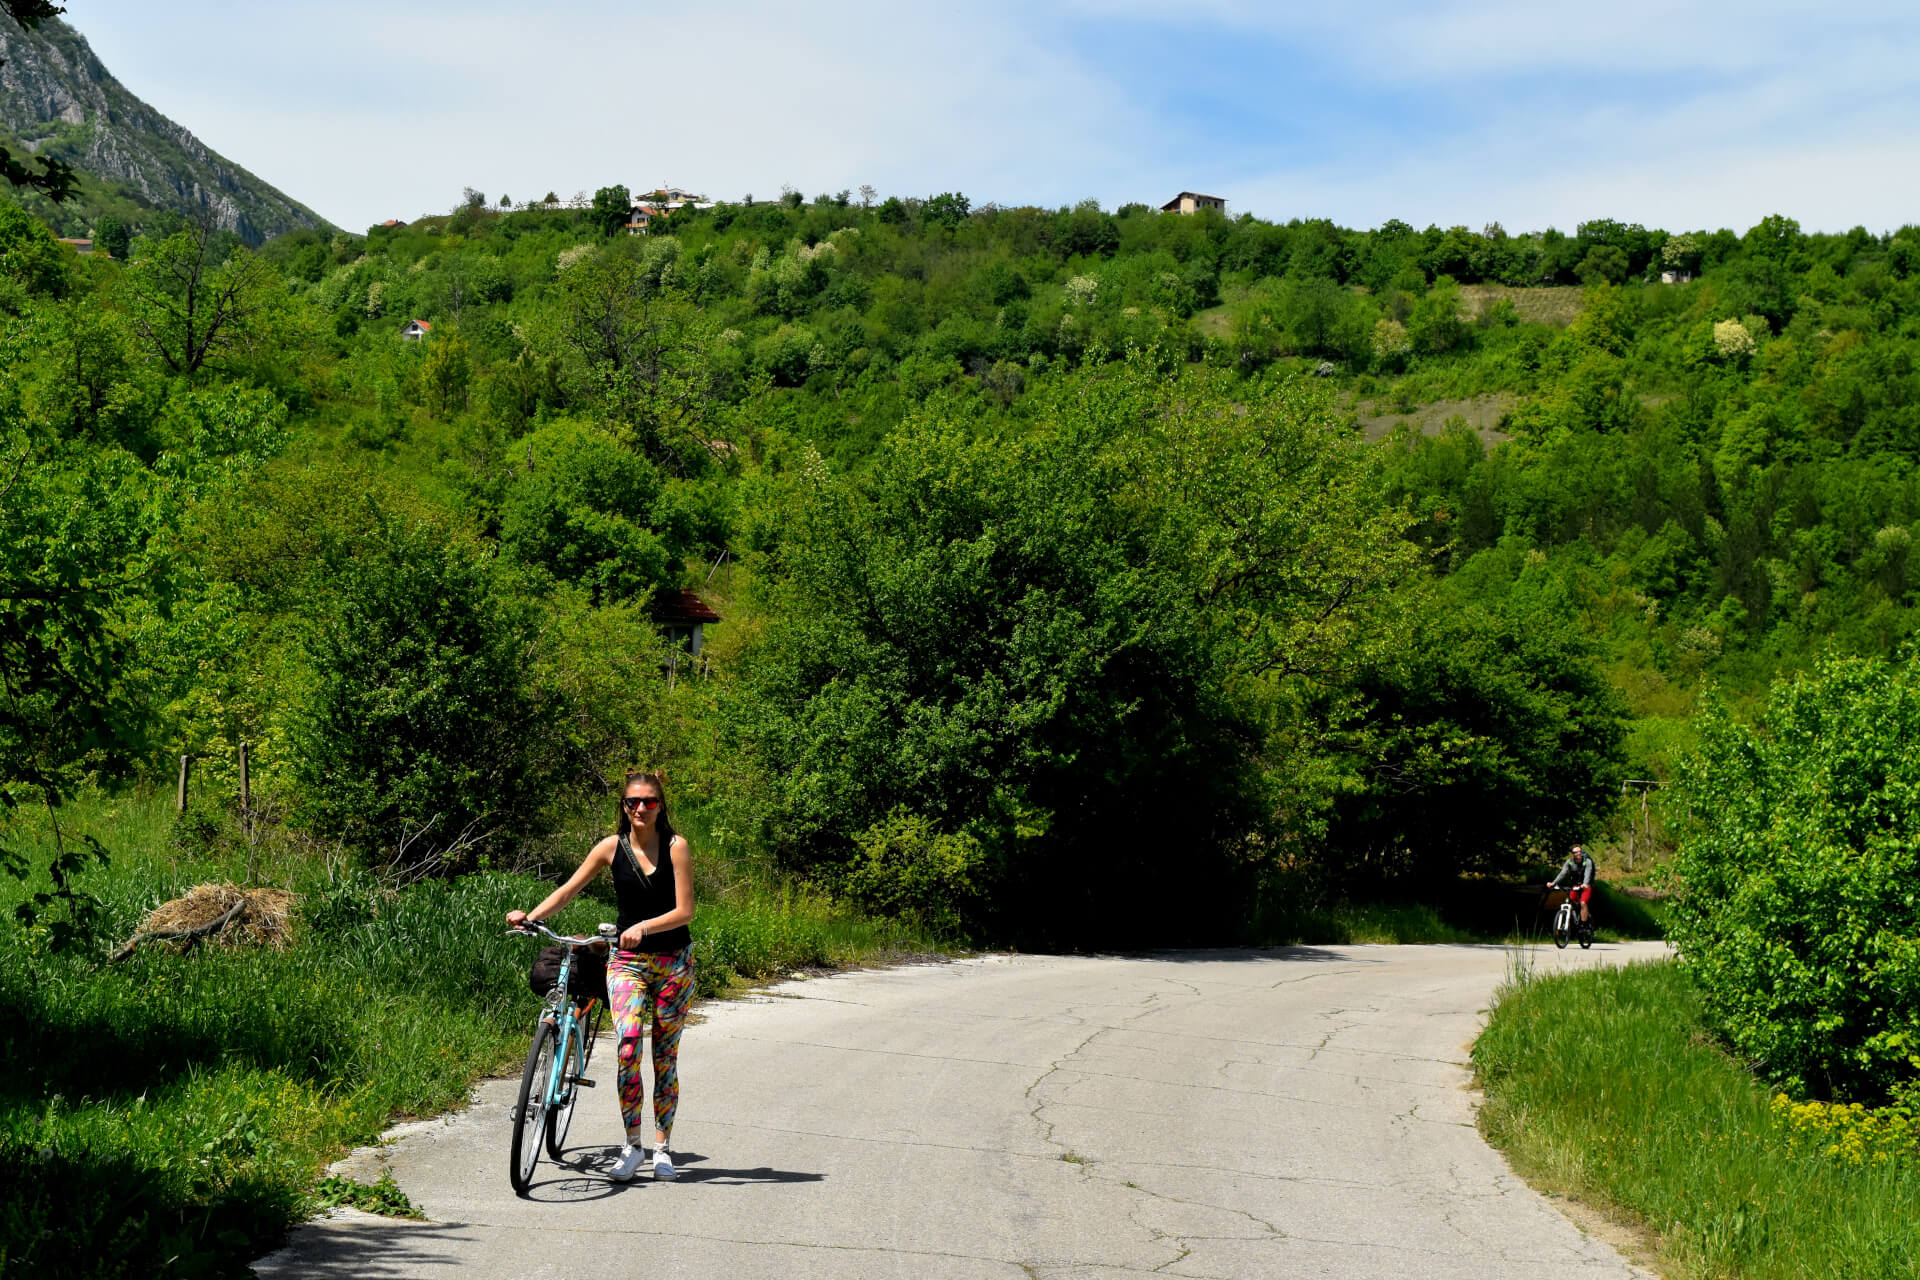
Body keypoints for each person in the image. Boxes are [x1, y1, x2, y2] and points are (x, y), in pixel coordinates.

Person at [508, 771, 696, 1182]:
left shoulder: (675, 847)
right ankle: (632, 1146)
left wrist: (645, 927)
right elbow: (568, 889)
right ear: (624, 807)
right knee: (628, 1048)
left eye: (649, 801)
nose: (641, 808)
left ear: (661, 805)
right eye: (633, 802)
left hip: (672, 964)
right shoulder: (611, 847)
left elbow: (685, 912)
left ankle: (662, 1148)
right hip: (627, 961)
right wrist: (532, 917)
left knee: (665, 1056)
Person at [1549, 843, 1595, 926]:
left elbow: (1587, 874)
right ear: (1572, 854)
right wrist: (1554, 883)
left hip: (1586, 886)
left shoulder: (1587, 861)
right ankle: (1569, 922)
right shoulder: (1569, 862)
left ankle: (1583, 925)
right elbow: (1562, 874)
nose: (1578, 853)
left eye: (1579, 851)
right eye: (1575, 852)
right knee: (1570, 901)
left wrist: (1585, 884)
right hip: (1575, 886)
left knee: (1583, 903)